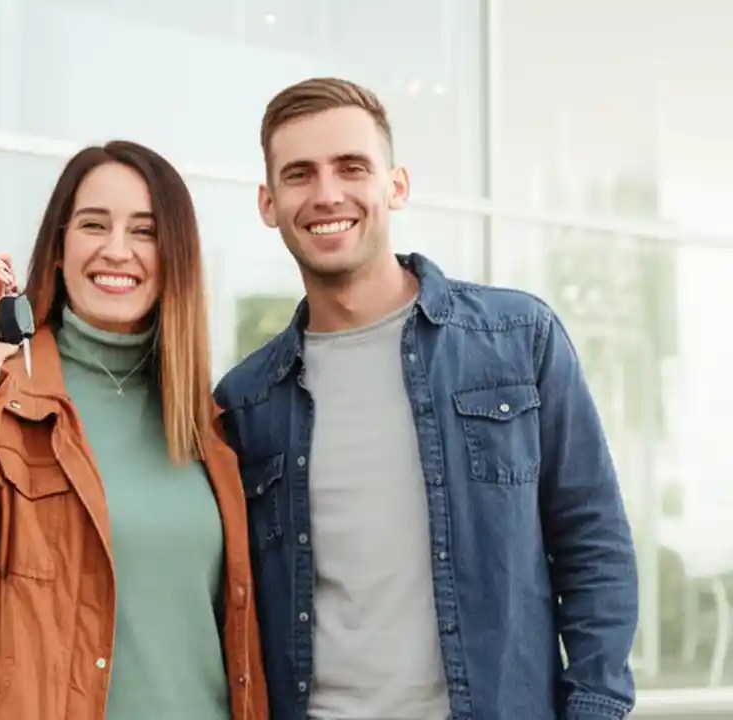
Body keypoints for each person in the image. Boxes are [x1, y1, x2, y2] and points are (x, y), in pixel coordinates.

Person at [214, 77, 639, 720]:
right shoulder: (247, 401)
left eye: (351, 167)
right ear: (268, 203)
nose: (327, 193)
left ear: (397, 185)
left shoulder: (517, 339)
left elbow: (593, 543)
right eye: (299, 174)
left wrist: (596, 706)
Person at [0, 140, 269, 720]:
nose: (116, 250)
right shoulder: (10, 396)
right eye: (94, 225)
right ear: (59, 250)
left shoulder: (212, 421)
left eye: (144, 231)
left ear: (175, 256)